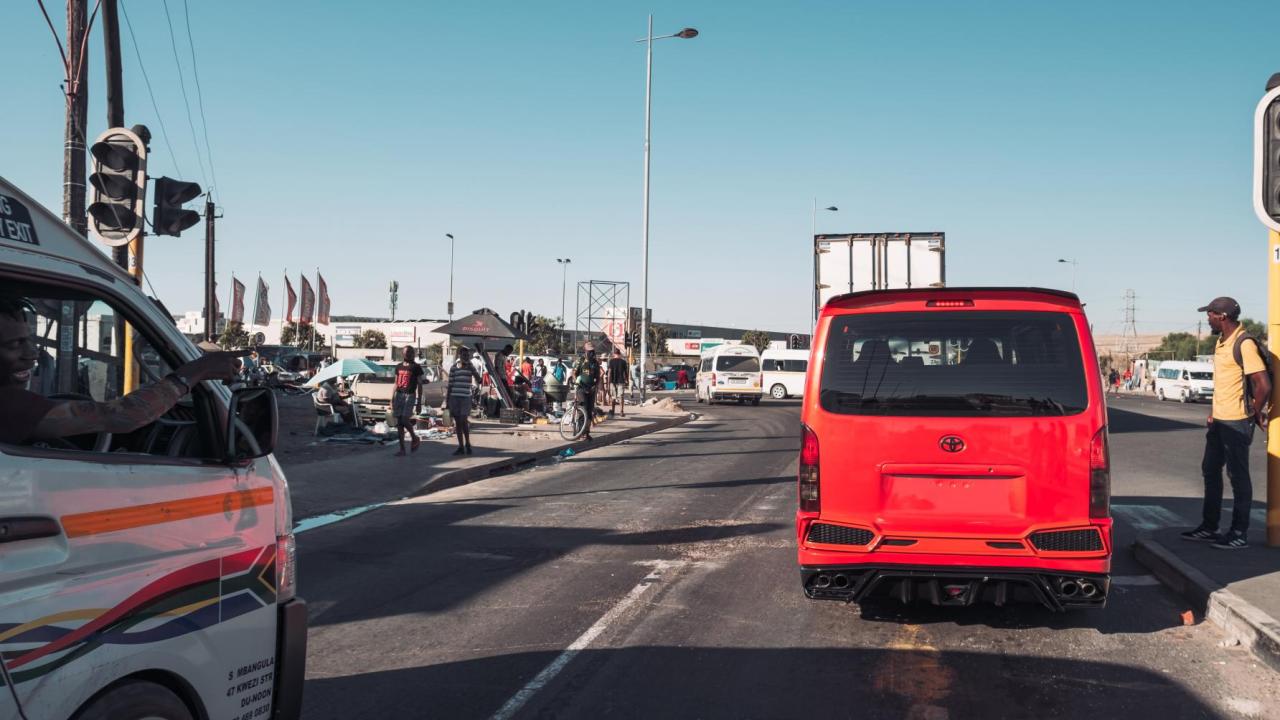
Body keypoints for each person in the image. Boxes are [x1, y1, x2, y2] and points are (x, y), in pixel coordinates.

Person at [0, 297, 238, 445]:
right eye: (14, 345)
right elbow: (118, 416)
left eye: (29, 340)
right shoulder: (9, 404)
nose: (32, 353)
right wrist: (197, 370)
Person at [1180, 297, 1270, 550]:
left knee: (1238, 476)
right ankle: (1210, 527)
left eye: (1209, 314)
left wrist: (1253, 411)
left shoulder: (1244, 344)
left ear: (1222, 316)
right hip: (1220, 420)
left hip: (1237, 421)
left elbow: (1263, 384)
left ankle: (1239, 533)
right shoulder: (1223, 342)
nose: (1206, 318)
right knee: (1210, 469)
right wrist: (1214, 411)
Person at [446, 347, 481, 455]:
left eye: (467, 355)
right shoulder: (453, 368)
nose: (466, 357)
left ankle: (468, 444)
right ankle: (461, 446)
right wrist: (447, 401)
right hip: (454, 397)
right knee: (458, 423)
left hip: (466, 397)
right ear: (459, 356)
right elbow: (450, 385)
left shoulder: (470, 367)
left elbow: (478, 378)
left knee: (463, 420)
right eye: (464, 355)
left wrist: (473, 370)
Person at [392, 345, 424, 456]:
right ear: (403, 353)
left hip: (410, 395)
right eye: (407, 352)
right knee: (399, 423)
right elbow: (396, 383)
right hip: (399, 395)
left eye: (411, 352)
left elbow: (420, 385)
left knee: (405, 419)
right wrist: (392, 397)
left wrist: (419, 402)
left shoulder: (416, 367)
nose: (409, 354)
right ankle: (402, 449)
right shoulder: (398, 367)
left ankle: (415, 438)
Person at [573, 343, 602, 441]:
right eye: (590, 351)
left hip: (591, 389)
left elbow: (598, 377)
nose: (591, 353)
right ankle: (580, 432)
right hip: (581, 388)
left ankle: (587, 432)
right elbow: (574, 373)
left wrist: (595, 385)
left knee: (589, 411)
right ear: (585, 351)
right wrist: (577, 382)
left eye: (593, 351)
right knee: (583, 409)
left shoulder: (595, 363)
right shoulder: (580, 361)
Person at [608, 349, 630, 418]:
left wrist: (608, 383)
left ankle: (613, 411)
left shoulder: (611, 361)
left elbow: (609, 373)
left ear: (614, 354)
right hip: (621, 381)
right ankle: (621, 411)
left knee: (613, 397)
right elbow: (626, 372)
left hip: (613, 381)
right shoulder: (623, 362)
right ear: (619, 354)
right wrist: (627, 380)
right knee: (621, 397)